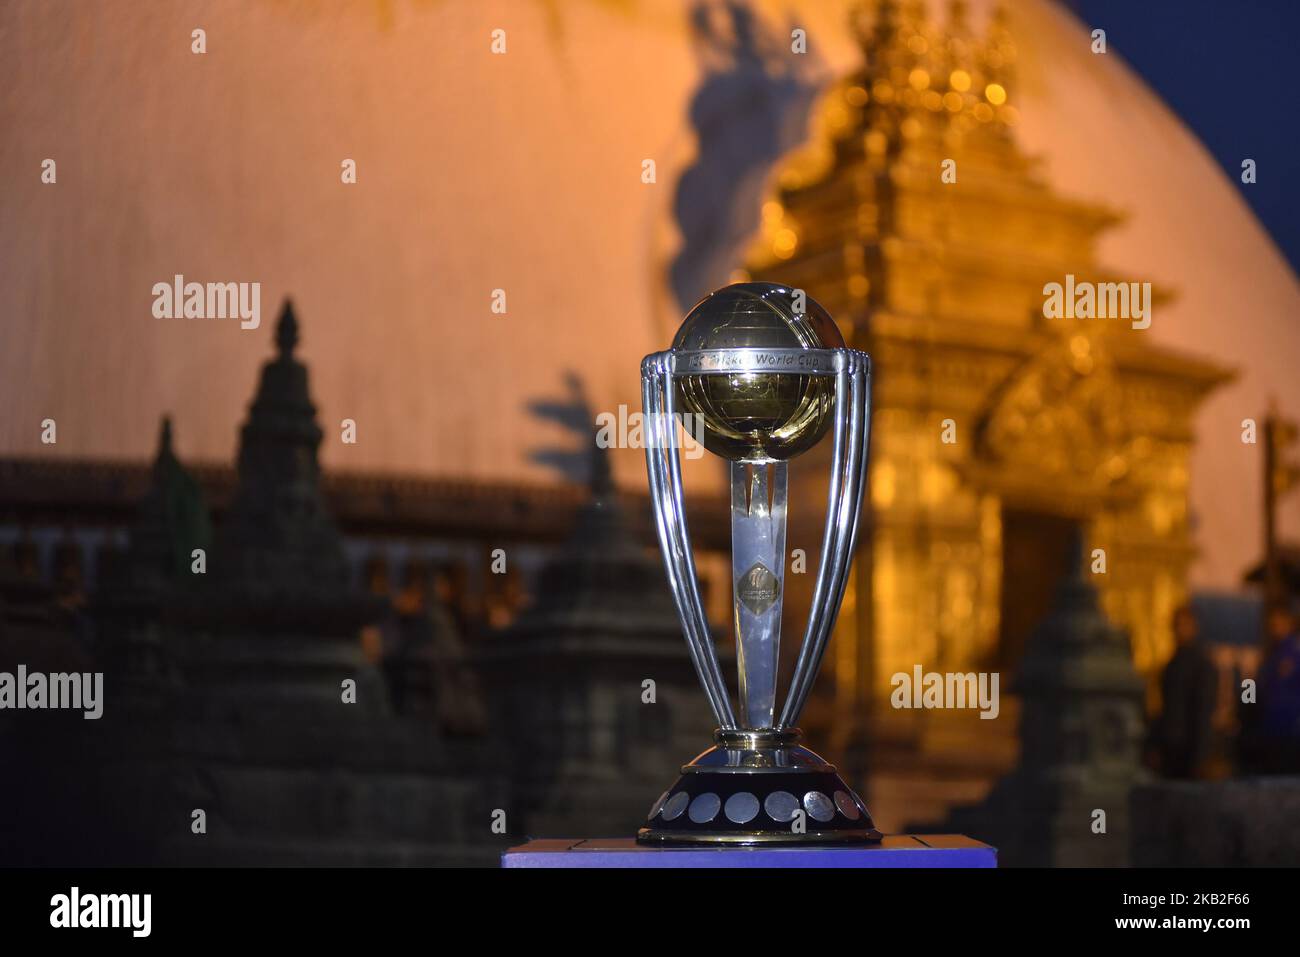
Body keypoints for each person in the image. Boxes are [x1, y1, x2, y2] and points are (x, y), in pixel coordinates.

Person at [1150, 605, 1218, 779]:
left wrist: (1200, 757)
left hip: (1188, 749)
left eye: (1184, 625)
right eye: (1177, 625)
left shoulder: (1201, 664)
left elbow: (1203, 712)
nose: (1179, 630)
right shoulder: (1173, 663)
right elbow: (1165, 707)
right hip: (1171, 747)